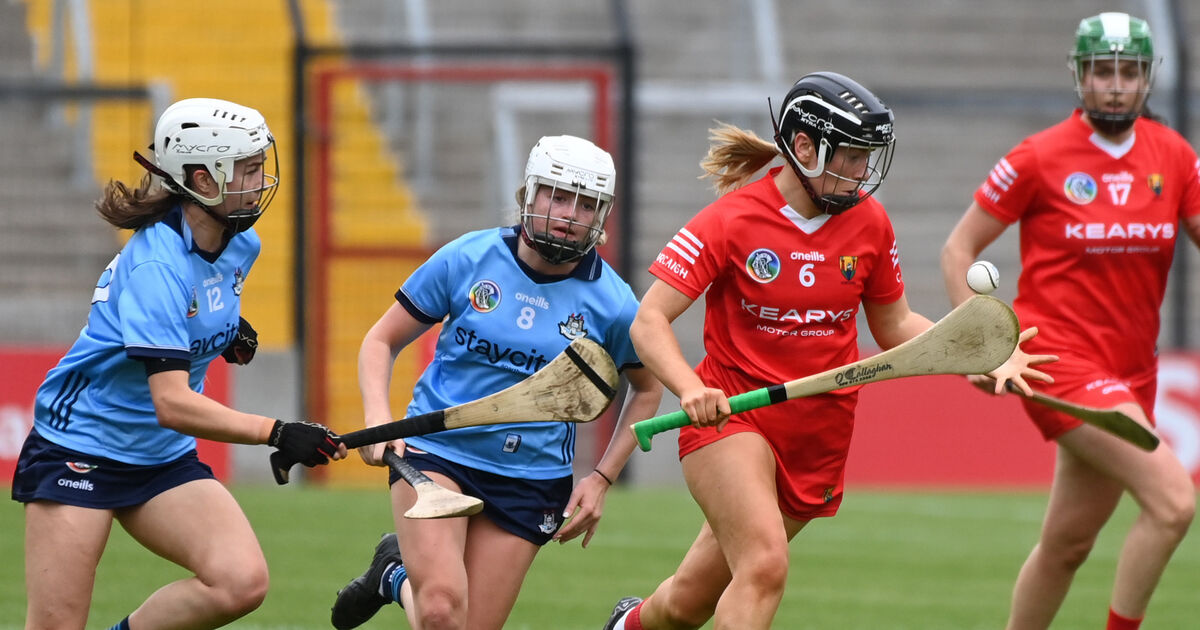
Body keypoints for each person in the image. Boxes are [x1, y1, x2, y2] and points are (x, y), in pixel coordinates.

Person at [600, 71, 1054, 630]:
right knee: (765, 567)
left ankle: (629, 625)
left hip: (818, 433)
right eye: (852, 156)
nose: (863, 173)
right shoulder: (731, 221)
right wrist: (690, 388)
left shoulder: (869, 224)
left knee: (690, 601)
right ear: (806, 148)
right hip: (734, 419)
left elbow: (896, 325)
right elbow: (650, 321)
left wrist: (975, 353)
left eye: (869, 157)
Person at [10, 97, 347, 630]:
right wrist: (278, 431)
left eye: (260, 167)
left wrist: (229, 333)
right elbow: (171, 403)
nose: (259, 182)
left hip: (159, 456)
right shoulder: (155, 264)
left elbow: (200, 305)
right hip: (80, 447)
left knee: (240, 582)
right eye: (247, 170)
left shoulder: (241, 244)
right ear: (202, 179)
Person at [328, 134, 663, 630]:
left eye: (587, 204)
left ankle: (393, 575)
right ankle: (407, 579)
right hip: (437, 453)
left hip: (531, 478)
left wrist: (601, 478)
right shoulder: (469, 258)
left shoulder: (613, 302)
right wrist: (380, 417)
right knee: (441, 611)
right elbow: (381, 341)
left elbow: (649, 388)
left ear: (603, 215)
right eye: (557, 195)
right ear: (527, 194)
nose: (571, 213)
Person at [941, 12, 1198, 630]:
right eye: (1103, 71)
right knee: (1173, 503)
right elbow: (957, 250)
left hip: (1132, 371)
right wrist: (980, 348)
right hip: (1055, 359)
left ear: (1147, 79)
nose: (1115, 85)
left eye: (1129, 72)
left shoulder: (1175, 156)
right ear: (1080, 77)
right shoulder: (1039, 157)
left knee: (1067, 545)